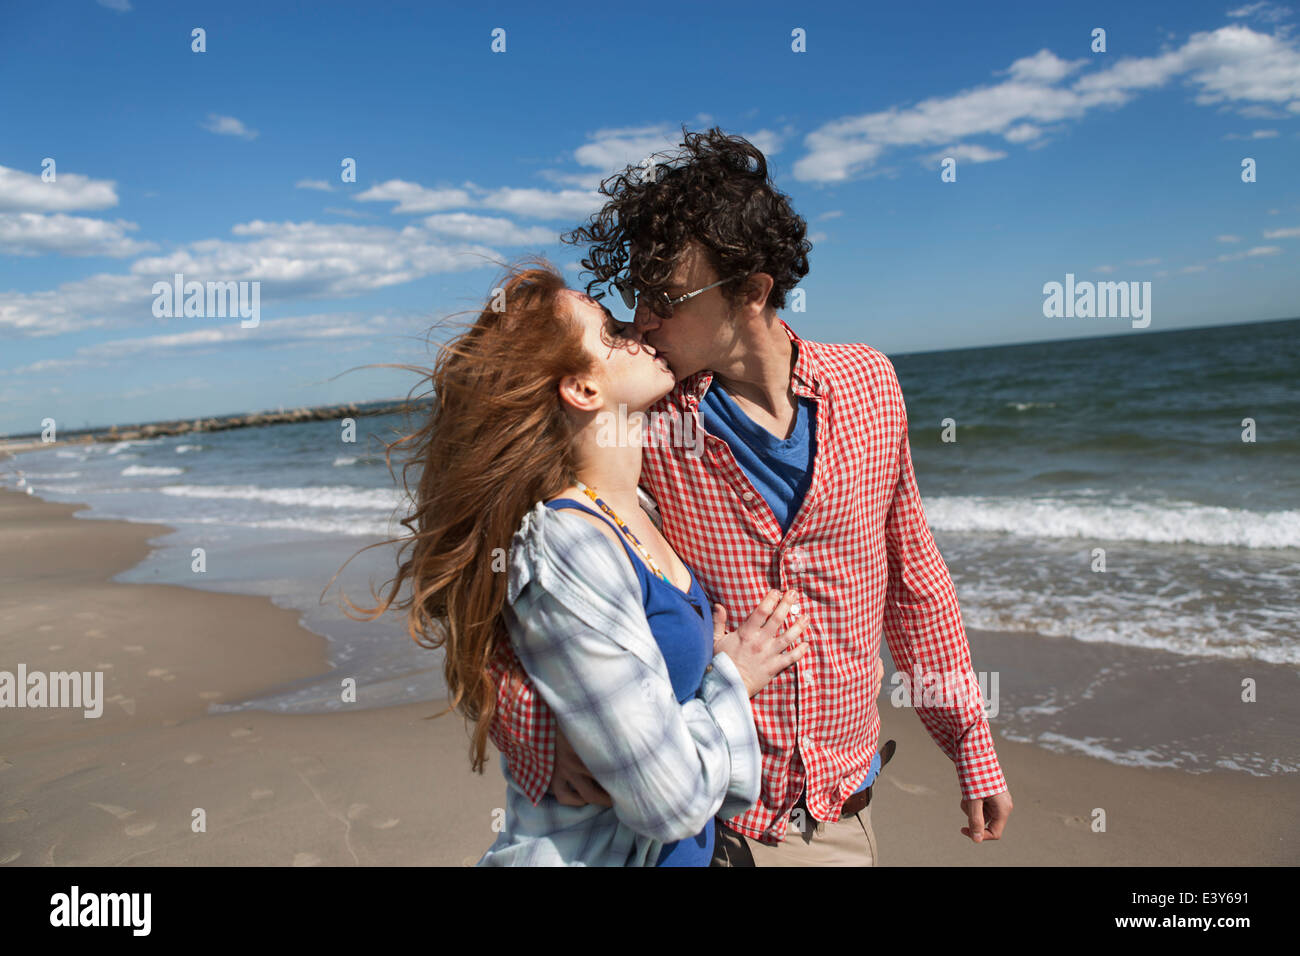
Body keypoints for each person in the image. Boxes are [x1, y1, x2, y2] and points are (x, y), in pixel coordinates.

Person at [487, 127, 1013, 865]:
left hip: (842, 818)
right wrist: (531, 723)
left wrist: (970, 742)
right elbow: (512, 570)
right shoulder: (645, 419)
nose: (642, 320)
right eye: (638, 296)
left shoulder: (870, 386)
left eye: (666, 299)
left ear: (754, 291)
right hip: (713, 816)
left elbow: (915, 578)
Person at [360, 259, 821, 865]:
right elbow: (672, 803)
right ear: (582, 389)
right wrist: (733, 678)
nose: (637, 327)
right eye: (610, 330)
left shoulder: (647, 506)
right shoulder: (569, 545)